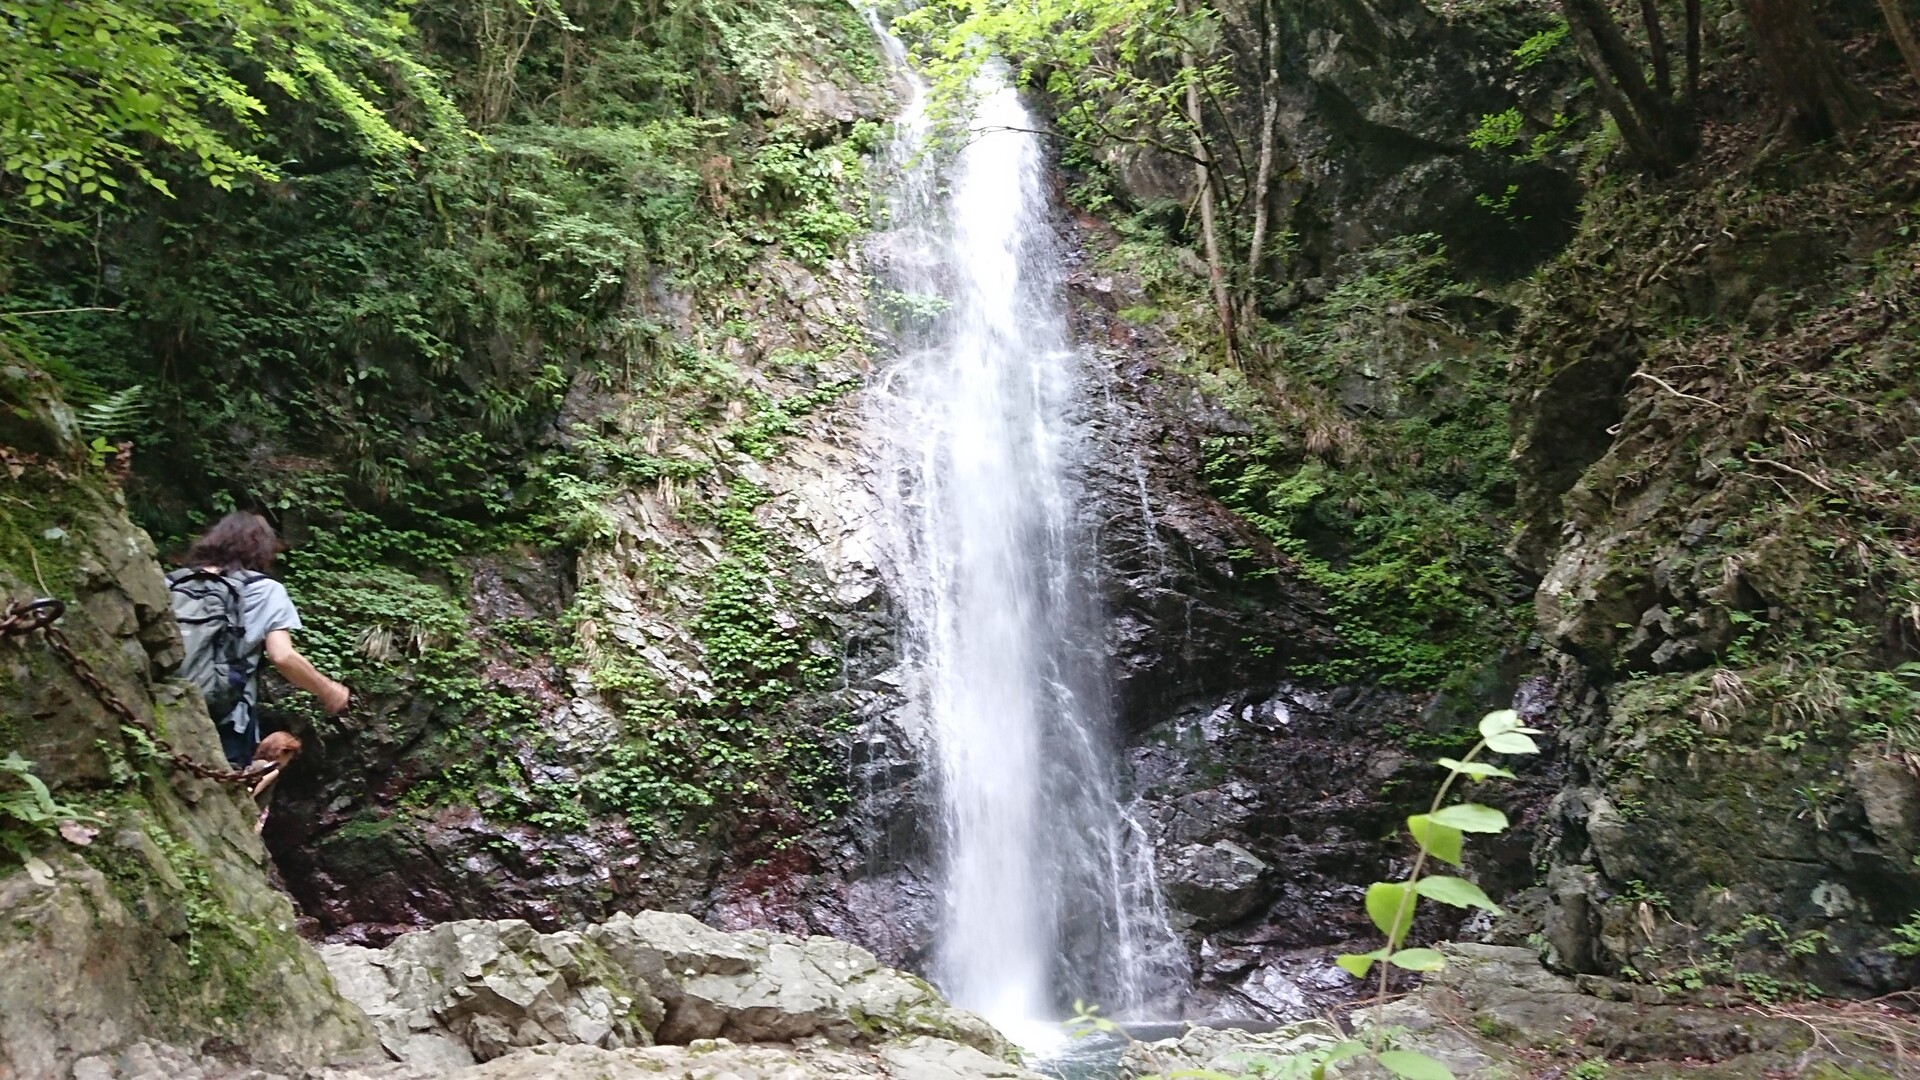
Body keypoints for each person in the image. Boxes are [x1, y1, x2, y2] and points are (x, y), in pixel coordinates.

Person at [170, 512, 349, 768]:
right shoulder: (263, 589)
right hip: (227, 718)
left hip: (165, 703)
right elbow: (282, 656)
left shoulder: (173, 582)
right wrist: (328, 689)